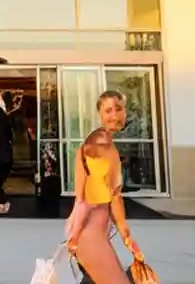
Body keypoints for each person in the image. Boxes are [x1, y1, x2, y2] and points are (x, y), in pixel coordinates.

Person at [65, 91, 143, 284]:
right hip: (90, 234)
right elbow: (105, 196)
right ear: (99, 113)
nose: (115, 116)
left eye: (119, 109)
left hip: (89, 232)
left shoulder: (97, 140)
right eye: (108, 111)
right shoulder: (101, 144)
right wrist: (126, 236)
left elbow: (84, 195)